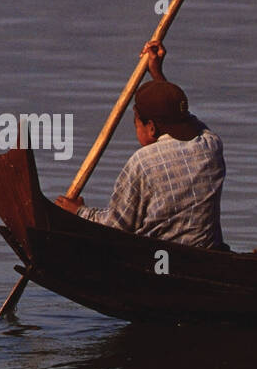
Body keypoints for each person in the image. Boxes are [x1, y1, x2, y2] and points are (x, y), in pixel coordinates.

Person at [55, 41, 228, 250]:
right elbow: (183, 117)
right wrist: (157, 75)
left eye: (136, 122)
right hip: (204, 254)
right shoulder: (211, 145)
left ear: (151, 128)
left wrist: (79, 212)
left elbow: (116, 226)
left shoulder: (143, 162)